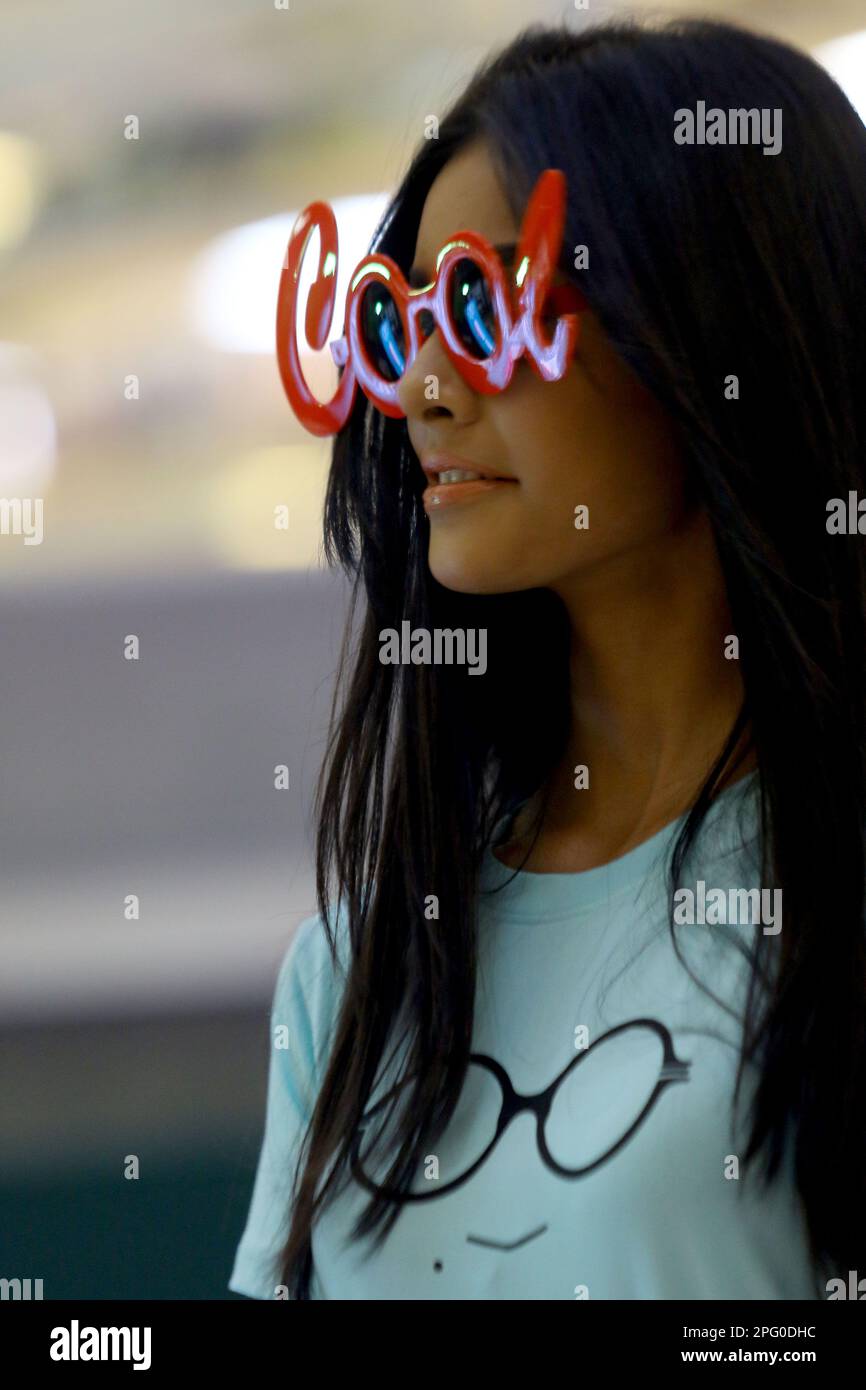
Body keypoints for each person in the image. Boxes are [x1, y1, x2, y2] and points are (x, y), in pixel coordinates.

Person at [229, 16, 866, 1299]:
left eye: (481, 302)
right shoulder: (358, 972)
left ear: (703, 319)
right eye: (394, 319)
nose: (422, 387)